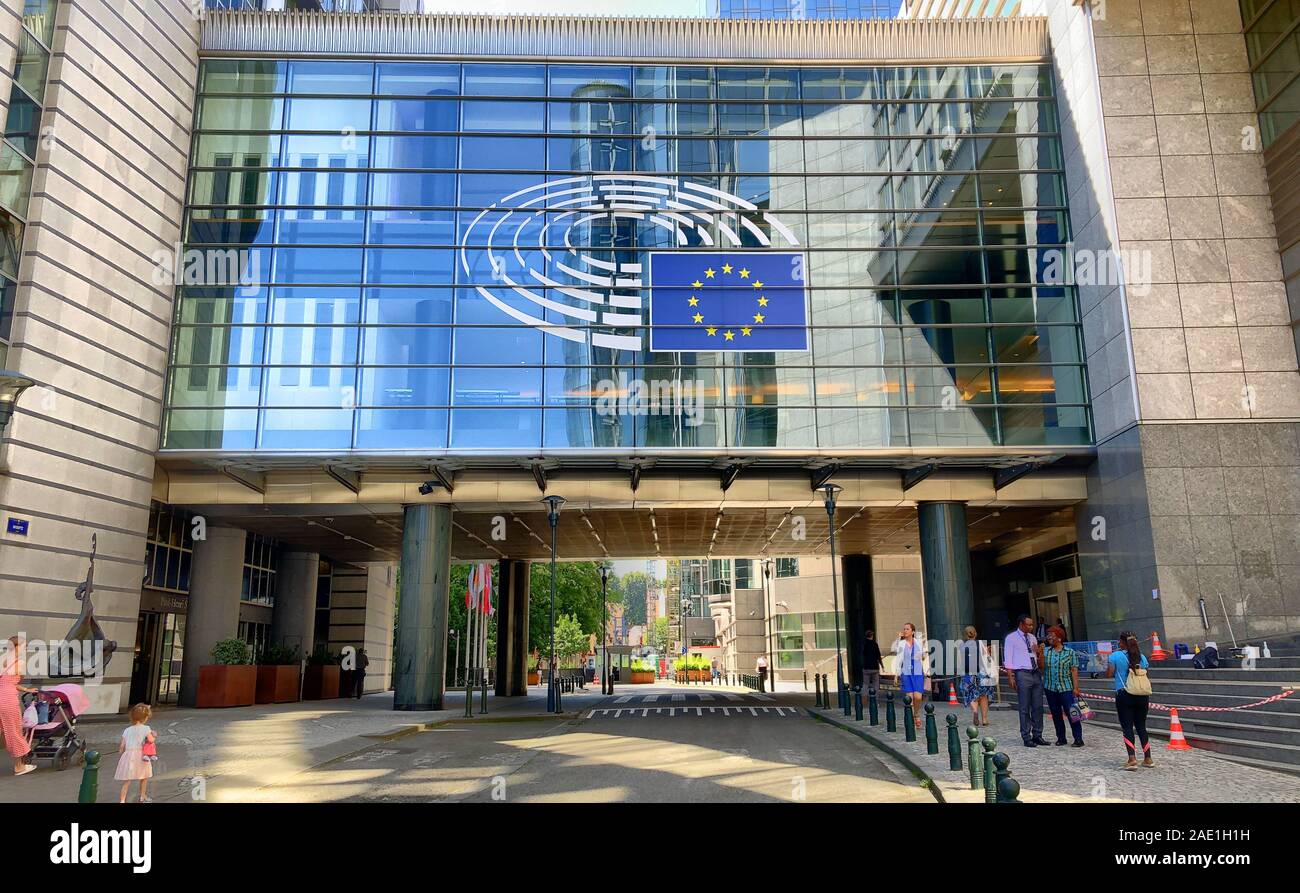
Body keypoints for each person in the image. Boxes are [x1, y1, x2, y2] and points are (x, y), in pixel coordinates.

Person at [1106, 631, 1153, 770]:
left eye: (1119, 641)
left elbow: (1109, 674)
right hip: (1142, 694)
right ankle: (1148, 758)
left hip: (1124, 694)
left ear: (1122, 642)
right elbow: (1145, 672)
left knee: (1127, 727)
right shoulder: (1142, 657)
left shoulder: (1115, 656)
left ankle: (1132, 758)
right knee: (1141, 726)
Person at [1004, 613, 1047, 747]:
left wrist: (1038, 651)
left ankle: (1038, 734)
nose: (1031, 627)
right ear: (1021, 624)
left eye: (1032, 625)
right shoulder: (1011, 638)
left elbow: (1036, 656)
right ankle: (1026, 736)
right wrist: (1010, 676)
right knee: (1024, 707)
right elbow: (1008, 657)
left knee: (1038, 706)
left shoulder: (1032, 637)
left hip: (1035, 672)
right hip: (1022, 672)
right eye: (1028, 625)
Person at [1042, 627, 1084, 747]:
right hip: (1050, 687)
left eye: (1052, 635)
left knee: (1072, 713)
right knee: (1056, 714)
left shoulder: (1070, 652)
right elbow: (1041, 667)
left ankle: (1078, 738)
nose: (1049, 637)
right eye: (1048, 635)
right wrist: (1040, 653)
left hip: (1066, 687)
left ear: (1059, 638)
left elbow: (1074, 670)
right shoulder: (1046, 652)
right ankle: (1061, 738)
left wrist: (1076, 687)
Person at [1, 636, 36, 777]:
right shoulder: (19, 663)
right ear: (16, 647)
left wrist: (26, 690)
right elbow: (14, 682)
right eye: (23, 646)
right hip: (8, 700)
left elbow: (7, 682)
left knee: (4, 731)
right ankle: (19, 767)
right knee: (14, 732)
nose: (25, 649)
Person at [115, 703, 156, 803]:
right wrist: (154, 735)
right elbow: (151, 740)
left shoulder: (127, 730)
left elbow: (122, 746)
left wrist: (121, 751)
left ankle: (122, 800)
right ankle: (142, 796)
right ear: (145, 718)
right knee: (144, 777)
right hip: (141, 755)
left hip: (129, 756)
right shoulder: (146, 728)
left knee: (127, 780)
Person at [958, 626, 994, 727]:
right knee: (983, 696)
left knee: (971, 695)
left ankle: (975, 711)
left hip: (968, 674)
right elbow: (987, 658)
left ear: (965, 635)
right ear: (975, 634)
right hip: (981, 674)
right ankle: (984, 719)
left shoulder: (962, 646)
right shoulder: (980, 643)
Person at [893, 623, 926, 730]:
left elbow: (923, 657)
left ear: (912, 631)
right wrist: (896, 674)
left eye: (907, 629)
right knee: (910, 698)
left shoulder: (918, 642)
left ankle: (916, 713)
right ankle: (912, 720)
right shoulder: (901, 644)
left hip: (917, 671)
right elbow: (899, 659)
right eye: (904, 629)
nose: (905, 631)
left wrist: (922, 652)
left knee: (918, 697)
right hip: (906, 672)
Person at [861, 629, 883, 695]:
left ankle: (864, 699)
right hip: (874, 668)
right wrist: (882, 665)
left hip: (866, 668)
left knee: (865, 684)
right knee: (876, 684)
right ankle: (875, 699)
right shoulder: (875, 644)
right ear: (872, 636)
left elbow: (861, 654)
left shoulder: (864, 644)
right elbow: (878, 656)